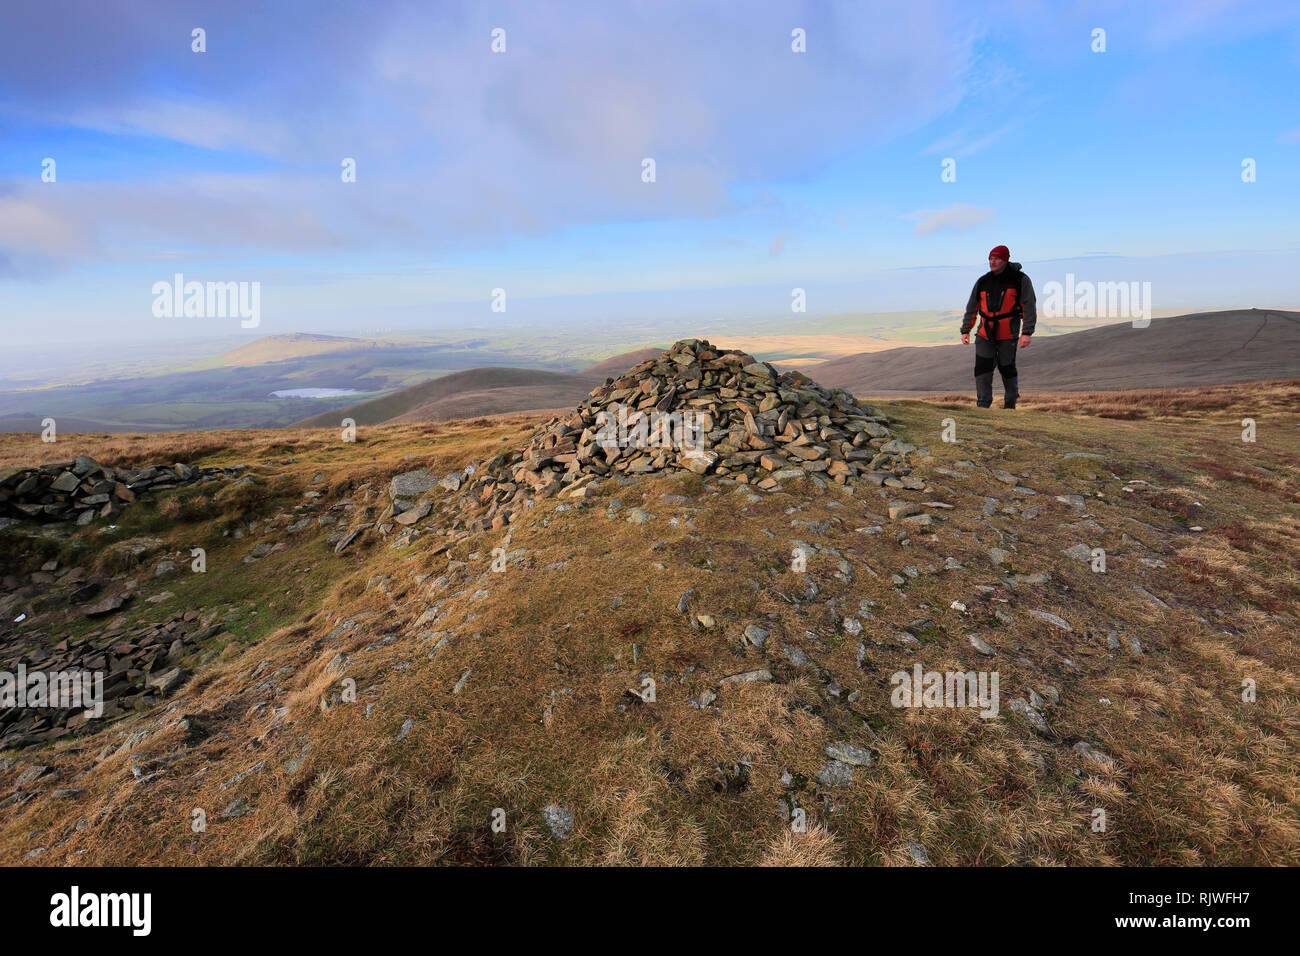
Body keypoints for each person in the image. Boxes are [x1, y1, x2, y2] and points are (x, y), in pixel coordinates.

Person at [960, 245, 1036, 408]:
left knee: (1007, 368)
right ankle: (983, 404)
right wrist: (966, 330)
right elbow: (972, 307)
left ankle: (1010, 404)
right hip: (984, 333)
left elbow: (1029, 306)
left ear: (1005, 259)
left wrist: (1027, 332)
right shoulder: (983, 281)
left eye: (996, 259)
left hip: (1008, 333)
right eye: (990, 258)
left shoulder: (1020, 280)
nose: (992, 262)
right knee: (982, 369)